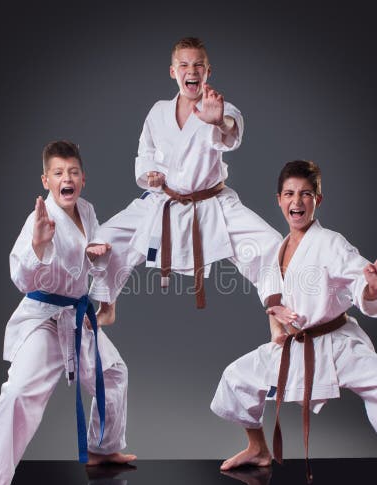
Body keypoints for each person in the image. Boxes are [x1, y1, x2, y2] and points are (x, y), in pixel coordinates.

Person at [210, 160, 377, 485]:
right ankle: (259, 448)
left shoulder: (330, 243)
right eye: (290, 194)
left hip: (338, 342)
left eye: (305, 194)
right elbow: (270, 290)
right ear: (278, 200)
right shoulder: (277, 249)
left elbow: (359, 278)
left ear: (317, 200)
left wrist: (372, 288)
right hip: (297, 346)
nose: (298, 201)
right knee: (236, 377)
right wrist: (275, 314)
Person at [0, 140, 136, 485]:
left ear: (83, 178)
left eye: (73, 172)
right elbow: (22, 275)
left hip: (77, 315)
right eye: (58, 173)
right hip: (45, 318)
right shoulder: (40, 218)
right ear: (46, 180)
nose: (66, 178)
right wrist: (38, 244)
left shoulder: (87, 210)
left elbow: (96, 263)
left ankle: (103, 449)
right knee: (17, 394)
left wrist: (104, 296)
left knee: (113, 373)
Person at [86, 36, 281, 313]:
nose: (192, 71)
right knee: (104, 238)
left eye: (199, 65)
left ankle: (276, 311)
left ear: (207, 72)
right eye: (184, 65)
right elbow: (145, 152)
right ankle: (106, 305)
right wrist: (150, 174)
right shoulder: (158, 111)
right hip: (164, 200)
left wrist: (219, 120)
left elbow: (231, 132)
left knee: (271, 243)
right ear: (173, 71)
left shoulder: (217, 106)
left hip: (212, 203)